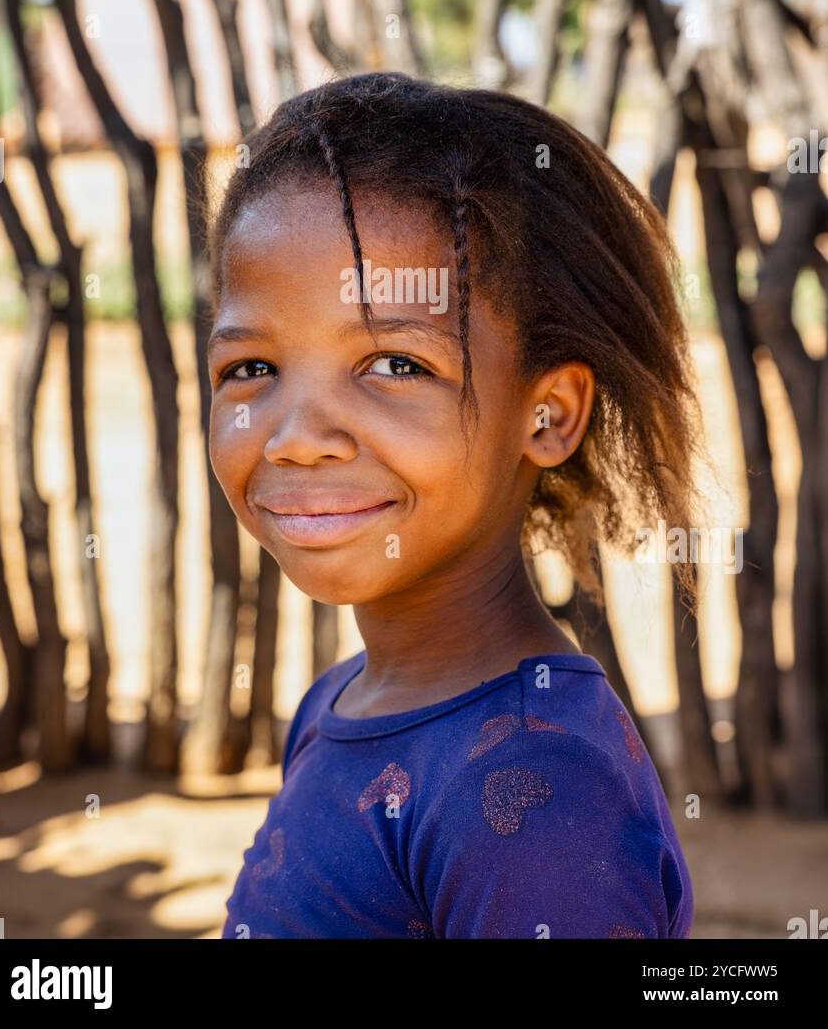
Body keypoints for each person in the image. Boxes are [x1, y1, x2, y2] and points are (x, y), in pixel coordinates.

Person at [209, 71, 701, 939]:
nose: (294, 437)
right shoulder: (336, 704)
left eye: (396, 365)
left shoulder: (531, 791)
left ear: (547, 413)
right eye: (252, 368)